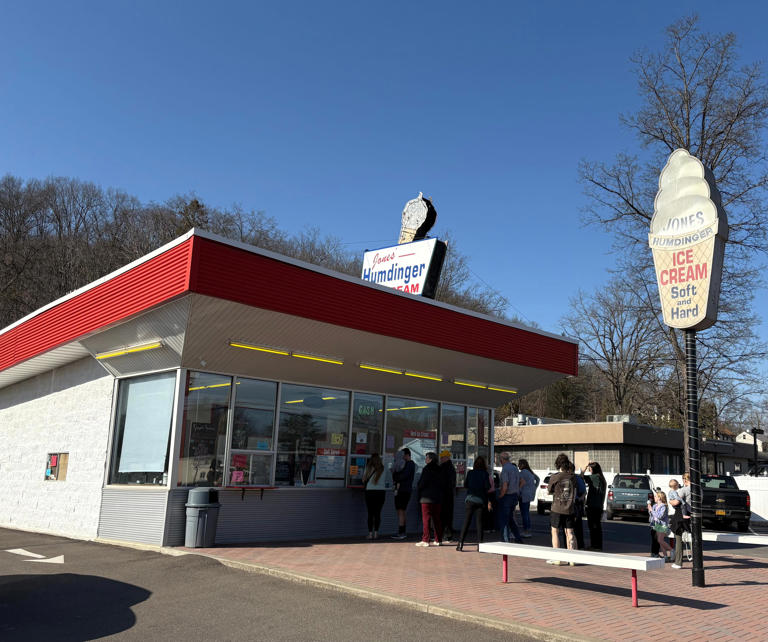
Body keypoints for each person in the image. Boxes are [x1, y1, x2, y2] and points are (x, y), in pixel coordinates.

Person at [456, 456, 491, 551]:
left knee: (466, 522)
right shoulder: (485, 474)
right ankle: (480, 546)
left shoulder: (470, 473)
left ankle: (460, 544)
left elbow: (466, 485)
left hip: (470, 499)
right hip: (480, 501)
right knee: (479, 523)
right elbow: (487, 487)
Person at [547, 453, 577, 565]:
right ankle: (572, 558)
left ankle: (557, 557)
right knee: (570, 532)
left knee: (555, 531)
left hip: (557, 508)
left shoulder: (555, 477)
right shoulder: (572, 477)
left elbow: (549, 491)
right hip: (570, 508)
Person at [416, 452, 443, 547]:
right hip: (438, 498)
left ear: (430, 459)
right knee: (437, 519)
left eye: (426, 458)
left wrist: (419, 486)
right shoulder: (440, 469)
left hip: (426, 498)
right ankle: (438, 539)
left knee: (426, 519)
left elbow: (422, 483)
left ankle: (425, 540)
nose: (425, 459)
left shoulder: (426, 469)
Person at [497, 452, 524, 544]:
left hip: (507, 496)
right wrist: (517, 489)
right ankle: (518, 537)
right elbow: (522, 481)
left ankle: (505, 540)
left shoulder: (505, 469)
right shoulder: (514, 468)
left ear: (502, 460)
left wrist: (501, 495)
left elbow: (505, 485)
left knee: (504, 519)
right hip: (514, 496)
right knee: (510, 518)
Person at [391, 448, 415, 539]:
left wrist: (396, 475)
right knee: (401, 511)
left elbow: (402, 476)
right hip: (402, 490)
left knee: (401, 511)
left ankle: (401, 532)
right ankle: (402, 531)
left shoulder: (410, 464)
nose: (402, 457)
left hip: (404, 490)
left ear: (407, 455)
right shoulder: (404, 464)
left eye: (403, 455)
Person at [584, 461, 607, 551]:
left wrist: (584, 468)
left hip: (592, 506)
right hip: (599, 506)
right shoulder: (601, 478)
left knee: (593, 526)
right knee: (597, 526)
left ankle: (594, 545)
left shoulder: (594, 477)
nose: (589, 470)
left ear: (592, 469)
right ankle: (598, 545)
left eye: (590, 468)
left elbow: (581, 477)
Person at [362, 454, 386, 539]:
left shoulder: (368, 468)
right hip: (381, 493)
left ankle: (370, 534)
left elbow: (363, 479)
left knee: (370, 513)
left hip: (370, 492)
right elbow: (388, 480)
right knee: (377, 513)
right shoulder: (383, 469)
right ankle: (376, 533)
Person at [648, 489, 673, 561]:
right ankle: (665, 556)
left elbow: (659, 516)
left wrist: (652, 511)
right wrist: (650, 509)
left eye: (655, 496)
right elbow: (652, 516)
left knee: (660, 540)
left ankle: (672, 550)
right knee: (660, 541)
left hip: (663, 526)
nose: (654, 498)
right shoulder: (655, 505)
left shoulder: (663, 507)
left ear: (659, 498)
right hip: (656, 525)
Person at [517, 459, 539, 538]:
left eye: (519, 464)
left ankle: (526, 531)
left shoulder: (522, 473)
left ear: (523, 465)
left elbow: (520, 483)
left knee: (524, 513)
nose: (518, 466)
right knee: (526, 513)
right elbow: (538, 479)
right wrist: (534, 488)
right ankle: (528, 530)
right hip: (529, 495)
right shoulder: (530, 472)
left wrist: (518, 491)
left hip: (523, 495)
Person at [439, 450, 457, 542]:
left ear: (447, 457)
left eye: (442, 457)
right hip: (449, 495)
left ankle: (445, 534)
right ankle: (448, 535)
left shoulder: (444, 467)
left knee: (444, 516)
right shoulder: (451, 468)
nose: (441, 459)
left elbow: (442, 482)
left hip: (444, 496)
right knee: (448, 516)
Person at [571, 463, 587, 549]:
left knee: (577, 527)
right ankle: (571, 546)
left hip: (576, 506)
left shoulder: (577, 478)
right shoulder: (567, 478)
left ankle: (580, 546)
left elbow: (584, 492)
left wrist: (579, 499)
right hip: (567, 506)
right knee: (569, 528)